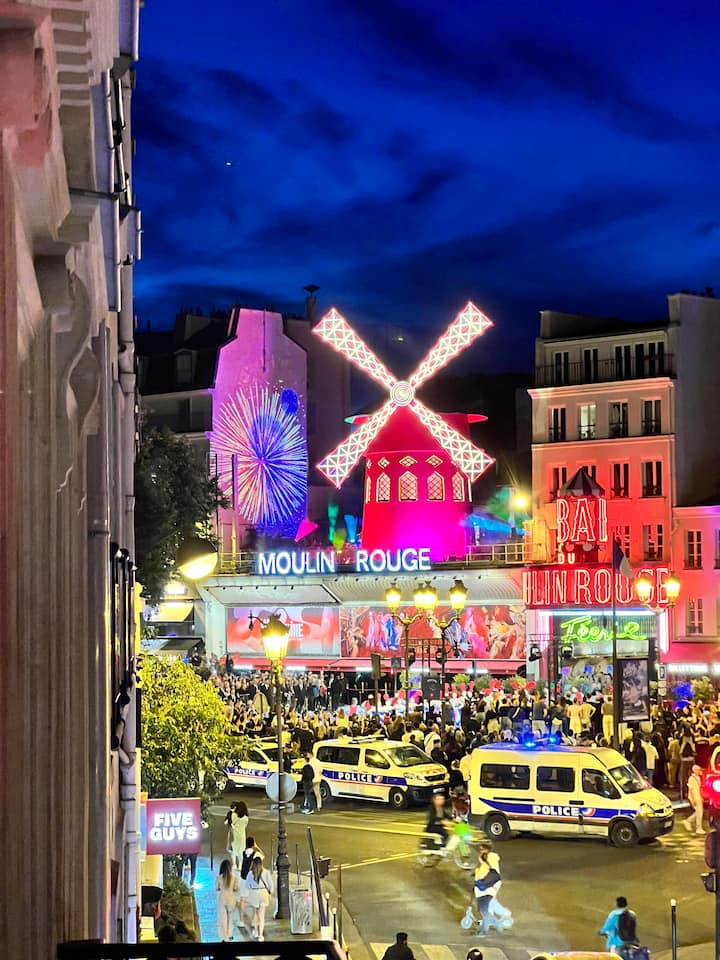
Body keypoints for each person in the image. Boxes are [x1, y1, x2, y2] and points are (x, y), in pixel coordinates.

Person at [473, 846, 502, 938]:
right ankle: (497, 924)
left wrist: (477, 877)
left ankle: (483, 931)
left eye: (482, 849)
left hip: (485, 892)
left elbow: (481, 880)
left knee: (484, 911)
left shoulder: (485, 866)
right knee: (483, 910)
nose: (480, 851)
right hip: (489, 889)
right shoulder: (491, 860)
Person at [245, 855, 274, 941]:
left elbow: (247, 885)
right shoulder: (266, 872)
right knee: (262, 916)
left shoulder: (250, 873)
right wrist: (270, 892)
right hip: (263, 892)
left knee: (255, 914)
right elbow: (271, 885)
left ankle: (256, 931)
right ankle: (261, 935)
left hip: (254, 893)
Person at [215, 858, 239, 942]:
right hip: (231, 898)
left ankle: (224, 936)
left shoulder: (219, 877)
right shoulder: (234, 878)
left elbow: (216, 888)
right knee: (230, 918)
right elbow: (236, 888)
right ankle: (230, 935)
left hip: (222, 898)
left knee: (223, 918)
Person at [226, 801, 249, 869]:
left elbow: (229, 823)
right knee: (241, 851)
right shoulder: (246, 818)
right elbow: (245, 826)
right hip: (242, 836)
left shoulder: (233, 815)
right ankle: (240, 865)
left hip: (234, 836)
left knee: (234, 850)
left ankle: (234, 864)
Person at [684, 764, 705, 835]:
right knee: (699, 813)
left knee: (699, 812)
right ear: (695, 771)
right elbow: (690, 791)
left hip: (698, 797)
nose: (700, 771)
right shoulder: (692, 779)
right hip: (695, 798)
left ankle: (688, 821)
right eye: (699, 770)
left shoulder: (698, 778)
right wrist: (692, 800)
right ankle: (698, 828)